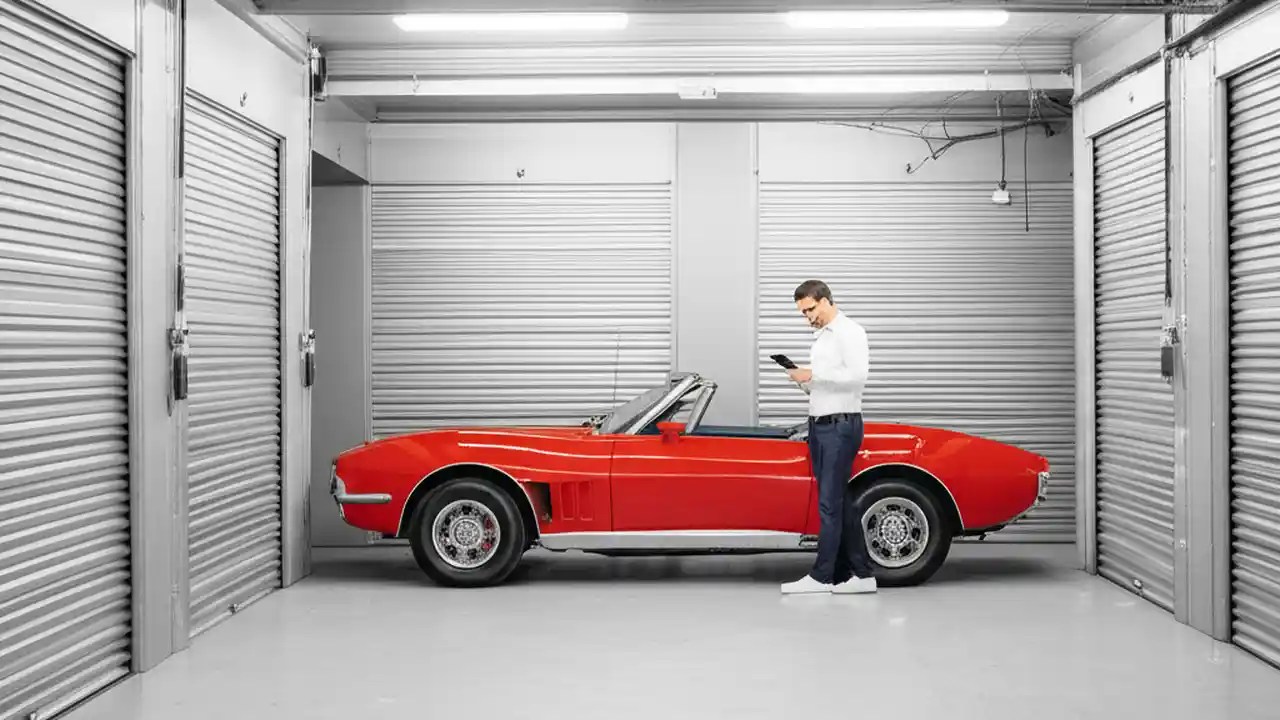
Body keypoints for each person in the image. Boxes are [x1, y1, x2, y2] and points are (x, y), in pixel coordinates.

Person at [780, 280, 877, 595]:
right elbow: (821, 385)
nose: (807, 317)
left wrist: (814, 375)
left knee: (829, 505)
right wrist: (803, 379)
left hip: (840, 425)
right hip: (821, 424)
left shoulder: (850, 332)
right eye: (802, 313)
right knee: (840, 503)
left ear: (825, 301)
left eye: (809, 310)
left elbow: (858, 375)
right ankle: (860, 575)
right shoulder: (820, 338)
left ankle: (823, 578)